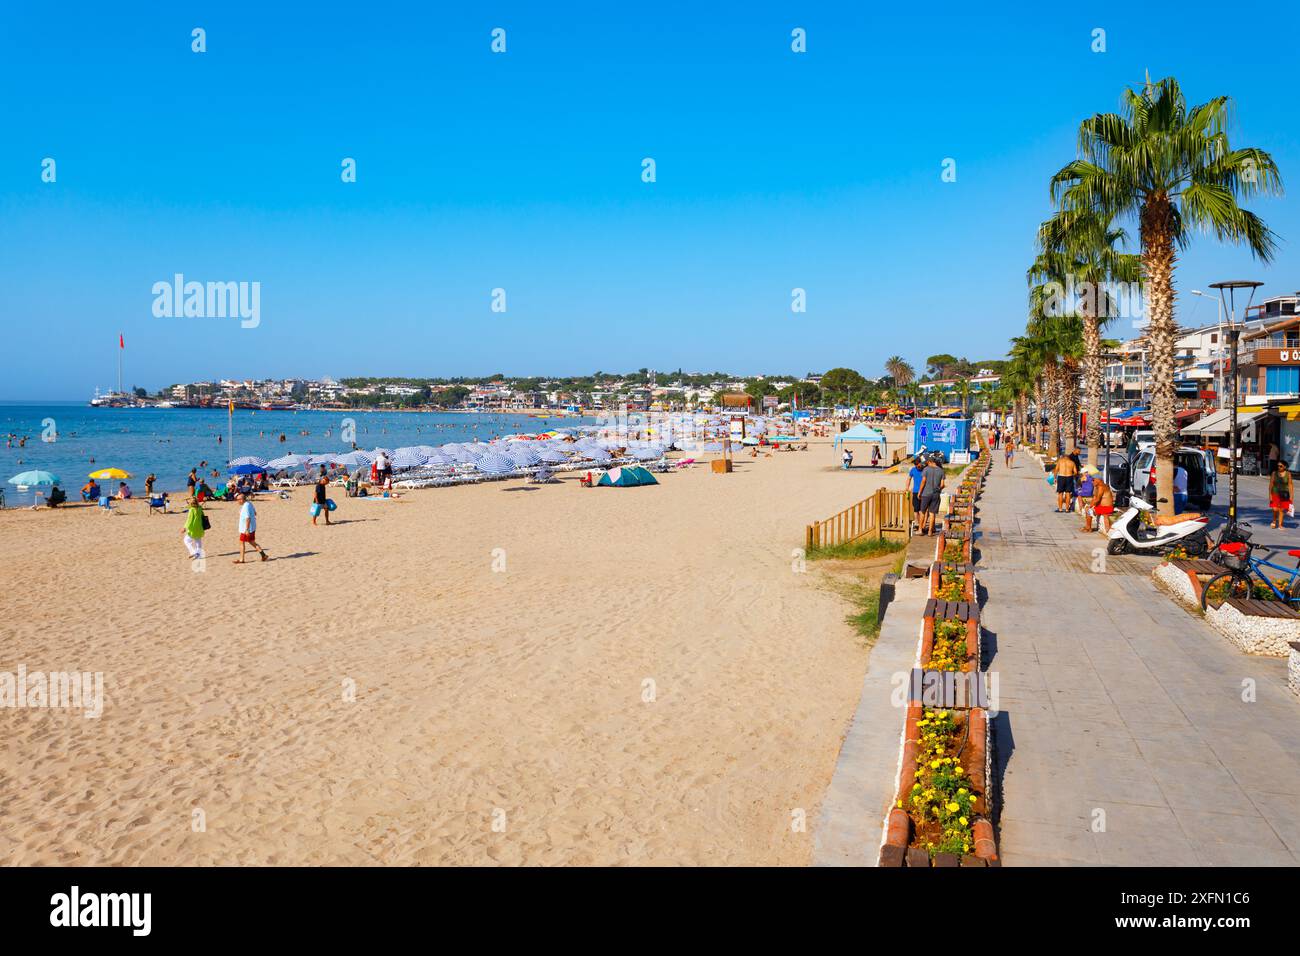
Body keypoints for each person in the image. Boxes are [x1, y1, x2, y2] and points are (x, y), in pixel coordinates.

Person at [234, 493, 268, 563]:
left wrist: (247, 529)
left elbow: (248, 518)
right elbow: (255, 513)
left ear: (242, 500)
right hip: (252, 527)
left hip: (246, 529)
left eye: (238, 500)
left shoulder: (246, 506)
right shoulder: (249, 503)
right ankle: (263, 555)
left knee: (241, 542)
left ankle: (241, 559)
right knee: (251, 541)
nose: (237, 501)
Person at [917, 455, 946, 535]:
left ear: (930, 462)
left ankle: (920, 530)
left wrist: (919, 492)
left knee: (922, 512)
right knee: (932, 513)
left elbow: (923, 481)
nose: (926, 464)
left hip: (926, 494)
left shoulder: (926, 470)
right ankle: (930, 531)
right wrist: (938, 489)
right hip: (936, 494)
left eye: (927, 462)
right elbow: (943, 485)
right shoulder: (941, 471)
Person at [1081, 466, 1115, 533]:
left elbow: (1097, 499)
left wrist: (1090, 506)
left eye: (1093, 480)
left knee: (1089, 510)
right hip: (1102, 507)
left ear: (1098, 480)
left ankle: (1089, 528)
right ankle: (1088, 527)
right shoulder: (1097, 487)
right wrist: (1090, 505)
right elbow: (1094, 498)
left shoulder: (1101, 487)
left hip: (1107, 508)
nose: (1092, 481)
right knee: (1088, 509)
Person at [1053, 447, 1079, 513]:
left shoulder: (1060, 461)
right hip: (1069, 477)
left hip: (1061, 477)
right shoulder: (1072, 462)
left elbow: (1056, 470)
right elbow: (1075, 472)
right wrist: (1072, 475)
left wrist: (1055, 478)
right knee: (1068, 493)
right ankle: (1067, 509)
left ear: (1063, 457)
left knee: (1060, 493)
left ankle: (1060, 509)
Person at [1269, 460, 1293, 530]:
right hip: (1275, 493)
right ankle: (1274, 520)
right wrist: (1270, 496)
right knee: (1275, 509)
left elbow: (1290, 485)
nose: (1279, 467)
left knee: (1281, 510)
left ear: (1285, 467)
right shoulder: (1274, 473)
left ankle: (1280, 525)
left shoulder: (1288, 474)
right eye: (1278, 466)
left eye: (1280, 466)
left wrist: (1291, 496)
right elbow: (1271, 485)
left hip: (1284, 494)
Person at [907, 456, 925, 527]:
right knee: (916, 509)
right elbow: (909, 479)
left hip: (924, 492)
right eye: (915, 464)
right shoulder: (913, 470)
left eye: (918, 464)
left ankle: (922, 523)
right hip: (915, 491)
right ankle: (917, 523)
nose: (917, 465)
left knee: (922, 509)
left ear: (921, 463)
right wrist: (907, 487)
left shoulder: (924, 469)